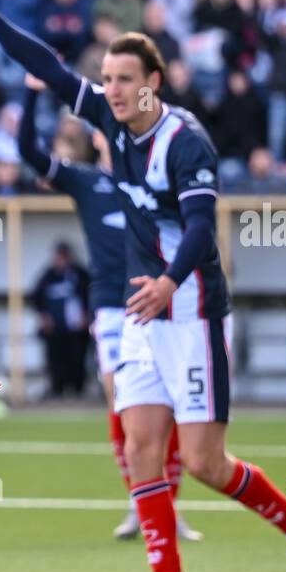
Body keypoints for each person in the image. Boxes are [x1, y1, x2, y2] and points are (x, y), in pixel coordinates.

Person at [0, 0, 286, 572]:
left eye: (126, 79)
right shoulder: (106, 123)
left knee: (208, 464)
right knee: (142, 448)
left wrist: (169, 285)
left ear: (155, 80)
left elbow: (206, 231)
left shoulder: (186, 142)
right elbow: (47, 67)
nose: (113, 89)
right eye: (108, 79)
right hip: (145, 313)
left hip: (195, 309)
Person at [18, 73, 200, 541]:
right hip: (111, 309)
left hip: (159, 300)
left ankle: (168, 509)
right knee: (123, 410)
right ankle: (142, 504)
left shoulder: (156, 179)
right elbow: (30, 153)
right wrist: (32, 92)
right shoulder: (85, 182)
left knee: (173, 409)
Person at [31, 241, 91, 398]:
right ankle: (57, 391)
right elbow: (36, 298)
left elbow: (91, 295)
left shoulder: (81, 274)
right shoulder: (48, 276)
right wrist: (44, 317)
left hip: (77, 329)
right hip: (55, 330)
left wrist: (87, 315)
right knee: (56, 361)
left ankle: (78, 391)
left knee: (77, 360)